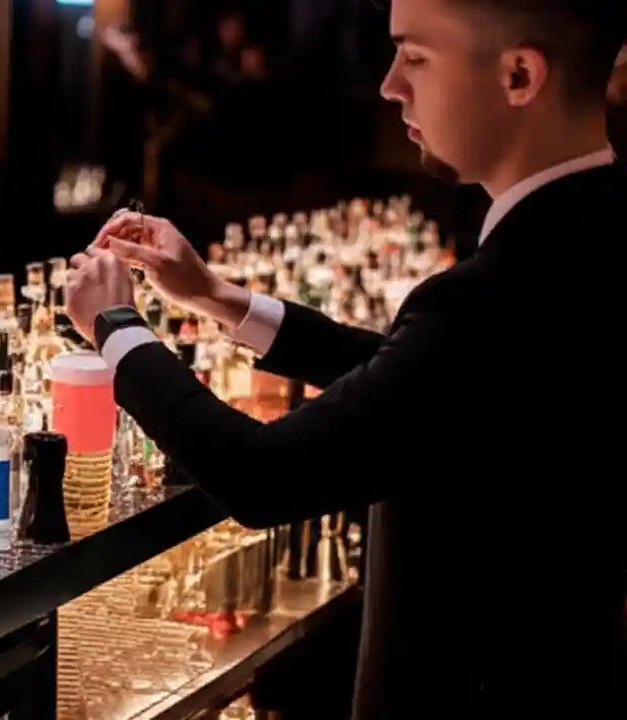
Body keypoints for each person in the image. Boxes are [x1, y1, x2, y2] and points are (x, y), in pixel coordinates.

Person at [65, 1, 626, 719]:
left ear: (519, 75)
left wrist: (116, 330)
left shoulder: (493, 296)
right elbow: (423, 382)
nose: (390, 85)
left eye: (415, 56)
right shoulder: (597, 229)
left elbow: (261, 476)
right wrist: (216, 296)